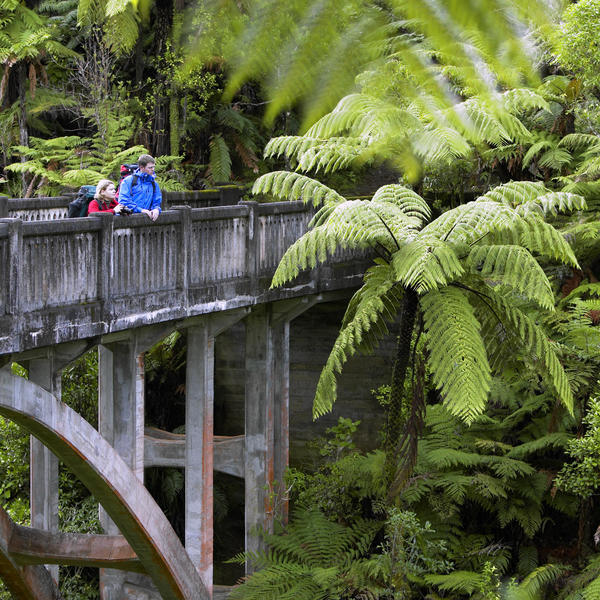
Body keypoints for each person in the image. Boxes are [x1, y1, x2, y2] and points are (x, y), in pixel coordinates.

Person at [118, 154, 162, 221]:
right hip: (129, 219)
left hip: (146, 220)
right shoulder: (129, 181)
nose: (153, 170)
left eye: (153, 167)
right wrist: (140, 210)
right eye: (150, 168)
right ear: (142, 168)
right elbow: (123, 200)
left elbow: (157, 201)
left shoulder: (154, 184)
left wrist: (156, 209)